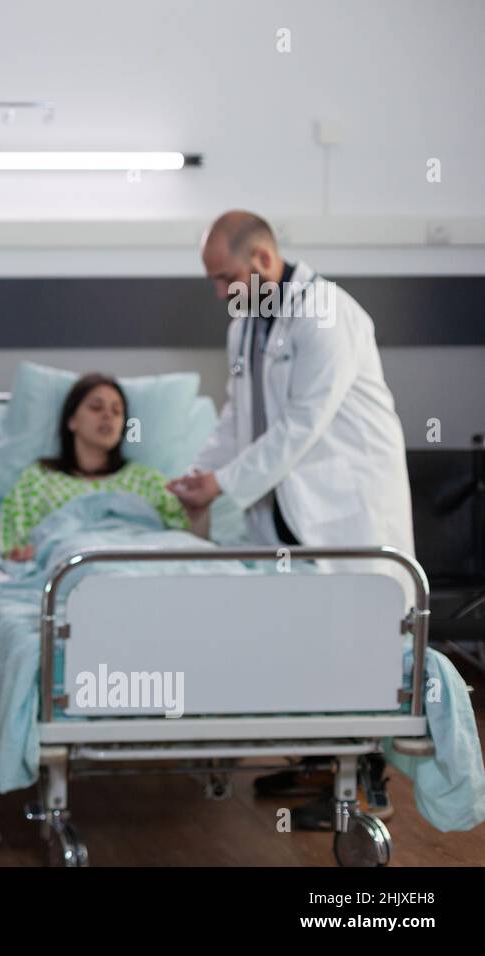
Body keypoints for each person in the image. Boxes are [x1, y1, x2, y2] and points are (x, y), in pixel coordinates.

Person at [169, 209, 412, 828]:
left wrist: (226, 483)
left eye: (225, 277)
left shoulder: (326, 313)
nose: (220, 292)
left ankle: (354, 791)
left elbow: (304, 425)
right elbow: (236, 415)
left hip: (345, 505)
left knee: (350, 643)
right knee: (302, 637)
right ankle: (315, 760)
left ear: (262, 260)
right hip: (287, 507)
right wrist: (202, 475)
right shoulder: (246, 323)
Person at [0, 373, 191, 562]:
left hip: (142, 567)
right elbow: (12, 546)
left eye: (116, 411)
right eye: (96, 407)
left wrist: (200, 508)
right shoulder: (40, 478)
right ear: (72, 420)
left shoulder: (147, 479)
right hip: (73, 568)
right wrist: (18, 556)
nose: (107, 416)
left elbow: (187, 541)